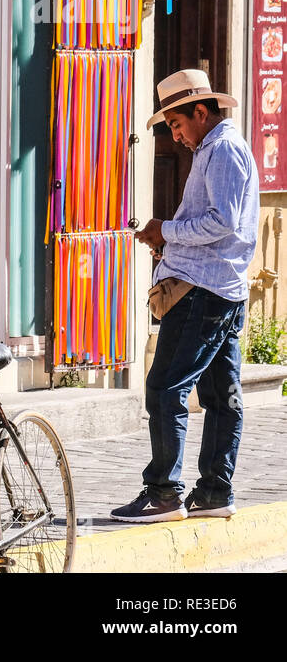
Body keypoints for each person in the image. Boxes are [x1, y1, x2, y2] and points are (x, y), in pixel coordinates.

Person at [112, 70, 258, 523]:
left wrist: (166, 231)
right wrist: (168, 243)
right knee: (220, 395)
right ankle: (214, 491)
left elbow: (222, 222)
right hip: (216, 287)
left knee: (164, 388)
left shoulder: (223, 149)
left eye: (176, 124)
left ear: (200, 112)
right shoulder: (213, 148)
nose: (175, 136)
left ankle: (163, 493)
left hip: (203, 292)